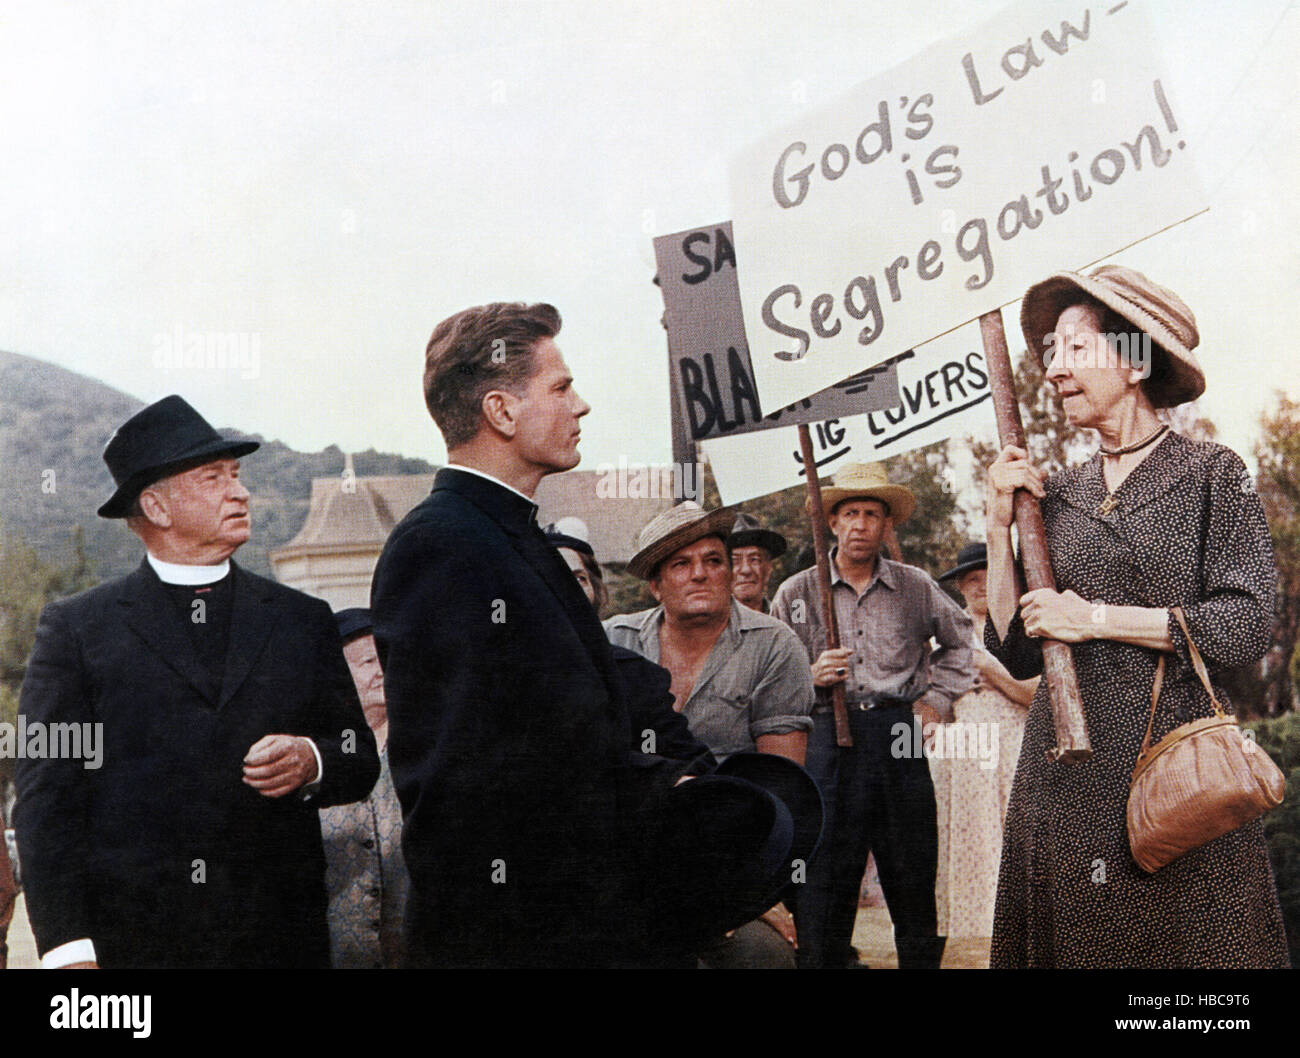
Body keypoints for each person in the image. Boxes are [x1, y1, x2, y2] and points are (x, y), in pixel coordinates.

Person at [372, 302, 715, 968]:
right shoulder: (442, 546)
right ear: (500, 411)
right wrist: (653, 794)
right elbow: (467, 787)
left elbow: (560, 733)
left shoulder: (510, 535)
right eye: (560, 387)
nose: (580, 405)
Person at [983, 264, 1289, 968]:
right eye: (1049, 354)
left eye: (1075, 348)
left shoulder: (1214, 472)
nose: (1054, 371)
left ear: (1134, 359)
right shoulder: (1056, 495)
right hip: (1067, 774)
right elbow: (1017, 648)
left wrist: (1092, 619)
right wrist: (999, 523)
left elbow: (1241, 627)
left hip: (1176, 777)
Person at [14, 395, 379, 969]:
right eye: (213, 478)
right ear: (156, 506)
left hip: (281, 946)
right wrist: (67, 949)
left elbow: (359, 757)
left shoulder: (302, 619)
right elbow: (44, 801)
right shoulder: (77, 629)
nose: (241, 492)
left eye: (236, 475)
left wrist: (313, 758)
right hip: (132, 955)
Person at [771, 462, 973, 970]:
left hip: (896, 733)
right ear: (832, 523)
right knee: (825, 879)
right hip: (826, 739)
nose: (861, 524)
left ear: (887, 525)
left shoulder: (914, 586)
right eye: (850, 513)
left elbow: (963, 642)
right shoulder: (797, 593)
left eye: (872, 514)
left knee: (910, 872)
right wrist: (810, 676)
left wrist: (934, 703)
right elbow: (770, 678)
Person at [605, 502, 815, 968]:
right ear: (656, 584)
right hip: (623, 855)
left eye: (714, 560)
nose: (700, 574)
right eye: (681, 563)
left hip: (730, 857)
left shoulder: (775, 645)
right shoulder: (612, 643)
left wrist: (756, 895)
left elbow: (780, 792)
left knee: (764, 957)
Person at [545, 522, 715, 778]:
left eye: (579, 578)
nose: (569, 589)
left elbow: (692, 760)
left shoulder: (633, 674)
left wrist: (678, 780)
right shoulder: (498, 673)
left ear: (595, 591)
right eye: (552, 577)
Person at [930, 542, 1036, 945]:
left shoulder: (1024, 627)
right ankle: (981, 935)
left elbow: (1040, 695)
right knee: (977, 842)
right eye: (970, 580)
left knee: (1018, 835)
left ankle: (1023, 929)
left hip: (1016, 740)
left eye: (987, 577)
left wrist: (995, 673)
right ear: (959, 586)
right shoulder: (946, 632)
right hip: (969, 749)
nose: (979, 587)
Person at [319, 608, 410, 968]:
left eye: (388, 658)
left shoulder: (422, 749)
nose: (383, 670)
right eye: (370, 660)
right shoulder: (313, 757)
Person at [729, 513, 787, 613]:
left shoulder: (784, 619)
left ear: (768, 568)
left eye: (754, 560)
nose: (746, 570)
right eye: (735, 561)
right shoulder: (703, 625)